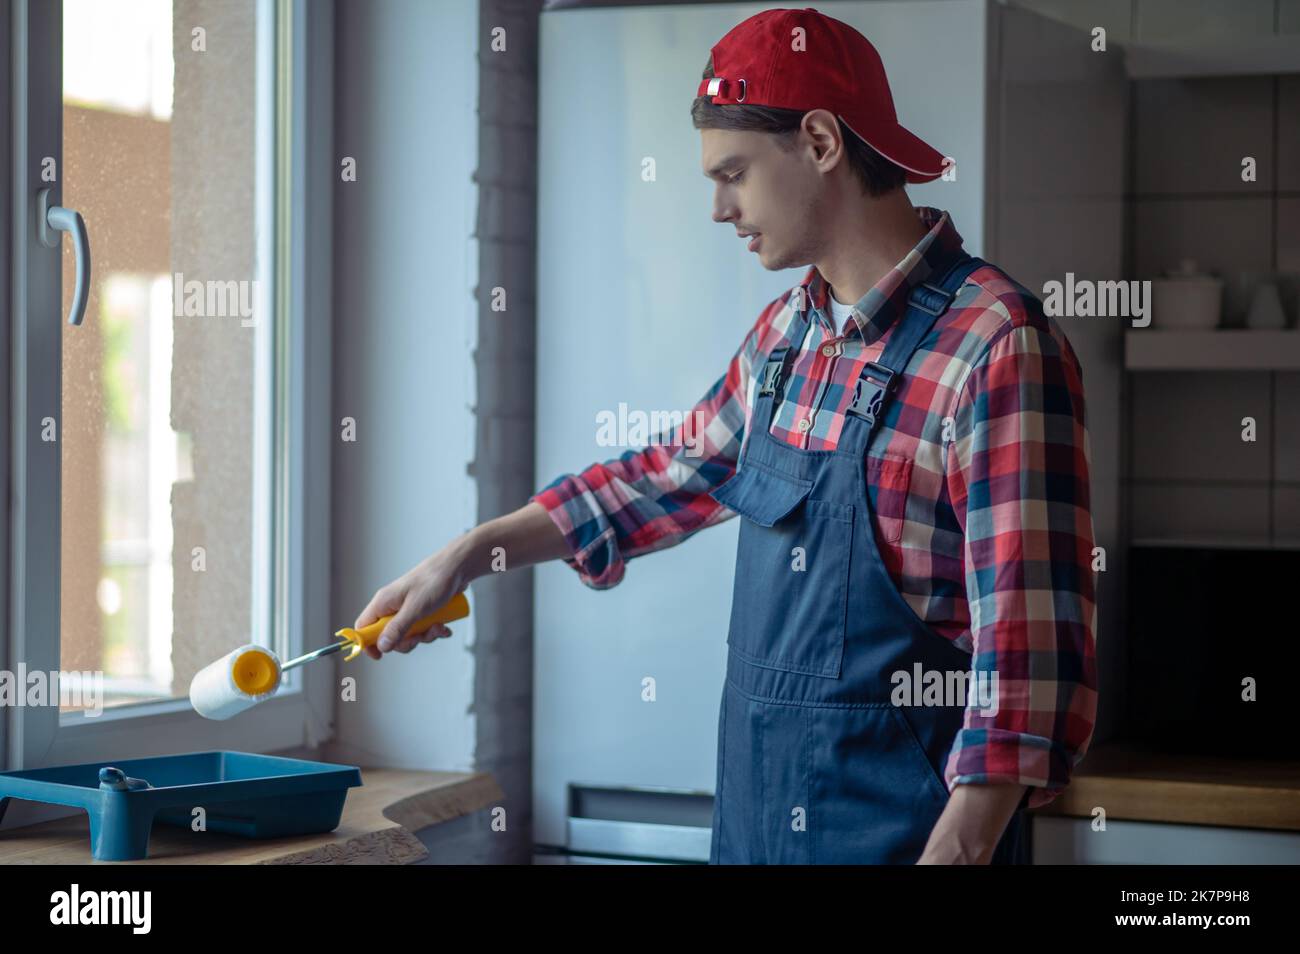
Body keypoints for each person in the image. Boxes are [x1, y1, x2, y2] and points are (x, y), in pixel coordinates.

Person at [353, 7, 1097, 865]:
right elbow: (666, 477)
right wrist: (469, 555)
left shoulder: (996, 347)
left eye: (733, 173)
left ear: (820, 142)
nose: (718, 209)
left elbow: (1026, 668)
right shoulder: (789, 334)